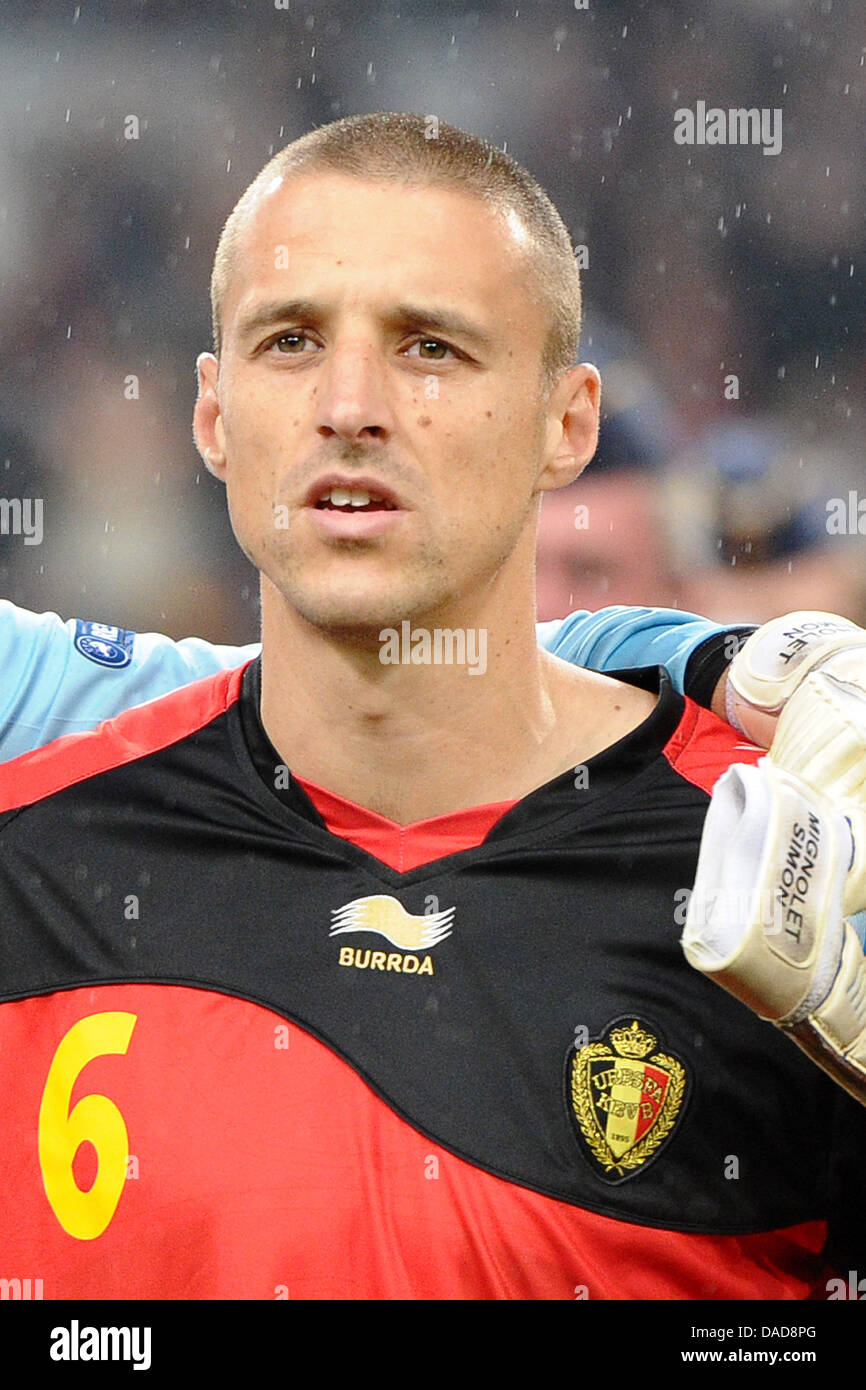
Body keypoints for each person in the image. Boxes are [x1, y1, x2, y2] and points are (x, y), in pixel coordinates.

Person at [0, 112, 863, 1301]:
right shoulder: (37, 809)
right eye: (290, 340)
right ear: (211, 413)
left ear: (569, 424)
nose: (349, 405)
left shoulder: (781, 850)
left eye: (430, 348)